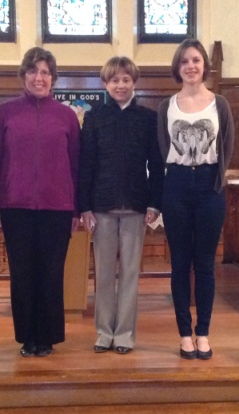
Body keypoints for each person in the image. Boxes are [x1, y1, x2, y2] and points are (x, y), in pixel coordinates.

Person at [0, 47, 80, 358]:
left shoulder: (67, 116)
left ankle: (48, 337)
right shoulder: (5, 113)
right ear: (23, 75)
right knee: (23, 274)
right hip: (15, 207)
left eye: (45, 72)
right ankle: (27, 336)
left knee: (51, 274)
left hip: (57, 208)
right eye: (33, 71)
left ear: (52, 78)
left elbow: (76, 164)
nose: (39, 78)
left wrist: (76, 207)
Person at [78, 57, 164, 355]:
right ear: (105, 84)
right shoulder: (95, 117)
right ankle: (103, 332)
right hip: (101, 206)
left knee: (129, 273)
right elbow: (86, 164)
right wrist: (84, 207)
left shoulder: (147, 118)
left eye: (126, 79)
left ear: (134, 82)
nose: (120, 85)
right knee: (103, 273)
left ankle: (125, 334)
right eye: (114, 80)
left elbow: (156, 163)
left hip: (136, 205)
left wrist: (154, 202)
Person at [157, 39, 234, 360]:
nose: (191, 66)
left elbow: (227, 146)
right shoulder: (166, 107)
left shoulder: (220, 105)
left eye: (196, 60)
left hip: (209, 186)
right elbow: (162, 148)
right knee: (179, 264)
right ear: (178, 67)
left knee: (204, 264)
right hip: (175, 185)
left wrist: (214, 180)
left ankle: (203, 332)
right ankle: (184, 334)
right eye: (185, 61)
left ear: (204, 66)